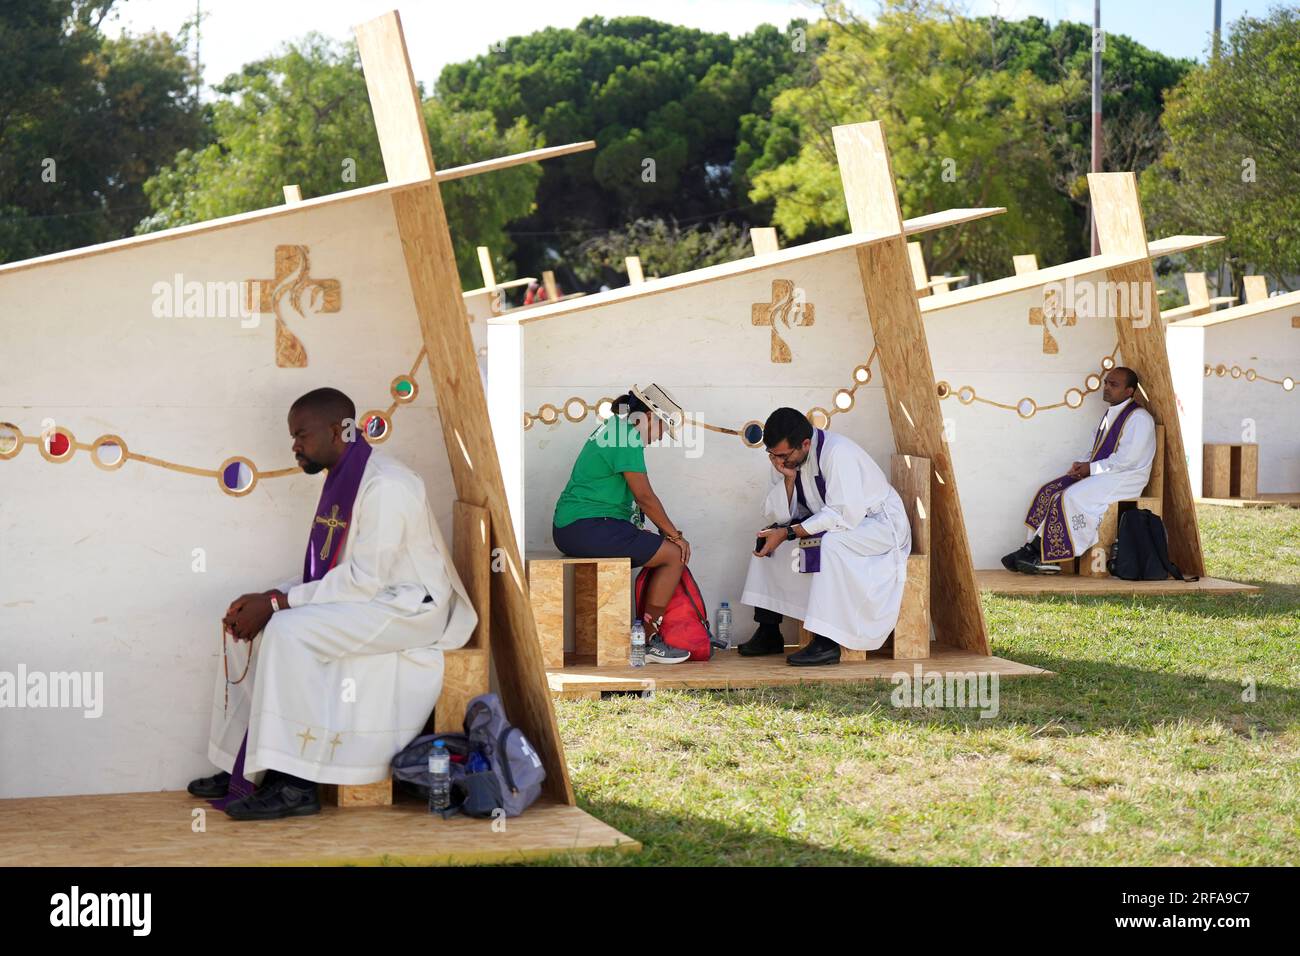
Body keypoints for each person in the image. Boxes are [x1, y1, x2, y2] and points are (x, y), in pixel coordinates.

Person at [187, 387, 477, 820]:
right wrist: (267, 599)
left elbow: (363, 580)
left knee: (286, 630)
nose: (294, 446)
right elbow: (329, 572)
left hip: (410, 609)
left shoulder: (386, 485)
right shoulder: (345, 477)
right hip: (371, 597)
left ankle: (295, 785)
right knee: (246, 624)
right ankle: (241, 766)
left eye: (301, 434)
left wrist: (279, 602)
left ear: (338, 429)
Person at [740, 408, 911, 666]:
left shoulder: (838, 453)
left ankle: (826, 643)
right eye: (772, 456)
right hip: (838, 521)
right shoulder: (783, 458)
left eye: (784, 456)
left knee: (828, 545)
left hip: (878, 526)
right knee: (768, 539)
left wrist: (788, 532)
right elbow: (775, 512)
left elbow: (843, 514)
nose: (778, 462)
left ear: (805, 444)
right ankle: (769, 631)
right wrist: (788, 481)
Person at [552, 384, 692, 664]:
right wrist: (675, 535)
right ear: (649, 417)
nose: (661, 437)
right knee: (675, 554)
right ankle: (649, 640)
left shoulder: (615, 428)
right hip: (587, 527)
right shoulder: (625, 437)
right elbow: (645, 497)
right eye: (663, 428)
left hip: (576, 527)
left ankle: (646, 635)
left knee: (662, 548)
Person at [1003, 366, 1156, 574]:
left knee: (1070, 496)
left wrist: (1090, 469)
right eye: (1106, 382)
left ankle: (1043, 557)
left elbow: (1126, 461)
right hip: (1105, 473)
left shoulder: (1139, 419)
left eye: (1114, 384)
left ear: (1129, 391)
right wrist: (1081, 465)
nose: (1107, 387)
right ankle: (1029, 551)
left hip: (1125, 478)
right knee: (1050, 490)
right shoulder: (1109, 415)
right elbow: (1095, 449)